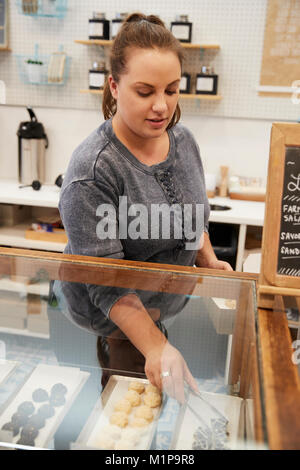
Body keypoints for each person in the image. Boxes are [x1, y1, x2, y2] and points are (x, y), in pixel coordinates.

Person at [58, 12, 232, 403]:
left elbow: (190, 212)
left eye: (171, 90)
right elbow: (108, 283)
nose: (161, 106)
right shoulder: (94, 170)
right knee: (124, 417)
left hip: (164, 306)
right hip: (110, 322)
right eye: (145, 91)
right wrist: (154, 347)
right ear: (114, 86)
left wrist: (207, 259)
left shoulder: (183, 141)